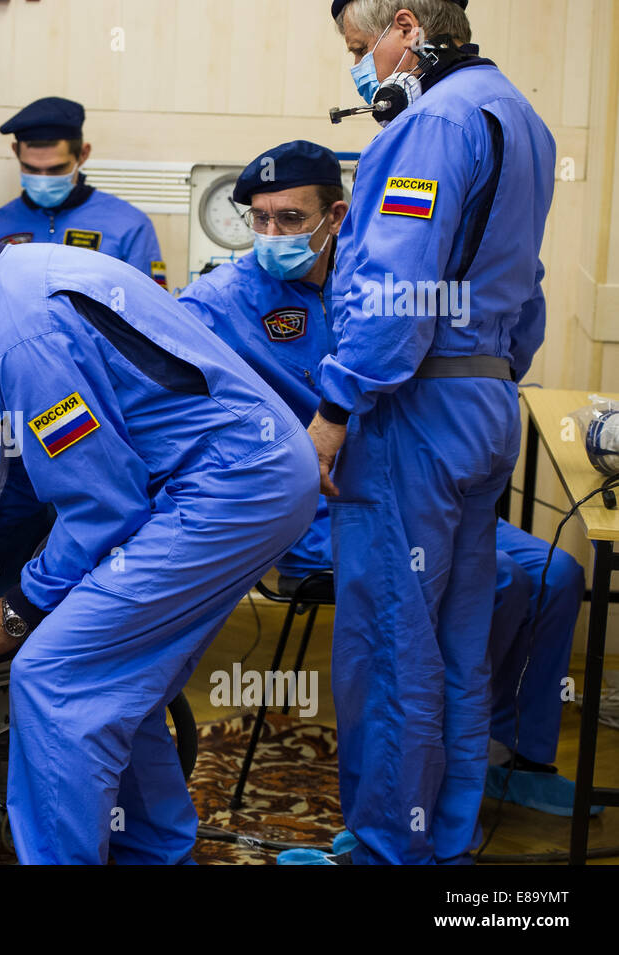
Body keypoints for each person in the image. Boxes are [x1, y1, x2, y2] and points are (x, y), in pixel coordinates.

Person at [0, 192, 320, 864]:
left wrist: (14, 610)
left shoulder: (18, 328)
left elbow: (102, 505)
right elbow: (26, 475)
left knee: (56, 675)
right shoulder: (10, 284)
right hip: (235, 476)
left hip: (228, 489)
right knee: (123, 677)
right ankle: (153, 853)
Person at [178, 141, 589, 836]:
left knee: (553, 574)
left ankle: (503, 753)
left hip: (415, 486)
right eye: (260, 219)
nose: (271, 236)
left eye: (290, 219)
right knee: (490, 587)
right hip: (321, 511)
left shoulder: (380, 282)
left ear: (336, 214)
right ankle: (418, 782)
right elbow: (168, 385)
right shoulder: (224, 297)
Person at [304, 0, 557, 863]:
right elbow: (529, 290)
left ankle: (384, 849)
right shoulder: (522, 120)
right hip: (485, 404)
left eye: (356, 48)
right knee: (456, 643)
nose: (359, 70)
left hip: (413, 409)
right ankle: (442, 840)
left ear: (406, 26)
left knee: (390, 647)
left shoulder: (432, 125)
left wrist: (336, 409)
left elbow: (393, 289)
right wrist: (487, 372)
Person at [0, 96, 166, 287]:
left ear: (83, 154)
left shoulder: (129, 227)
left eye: (56, 170)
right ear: (16, 152)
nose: (44, 179)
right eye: (31, 169)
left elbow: (151, 313)